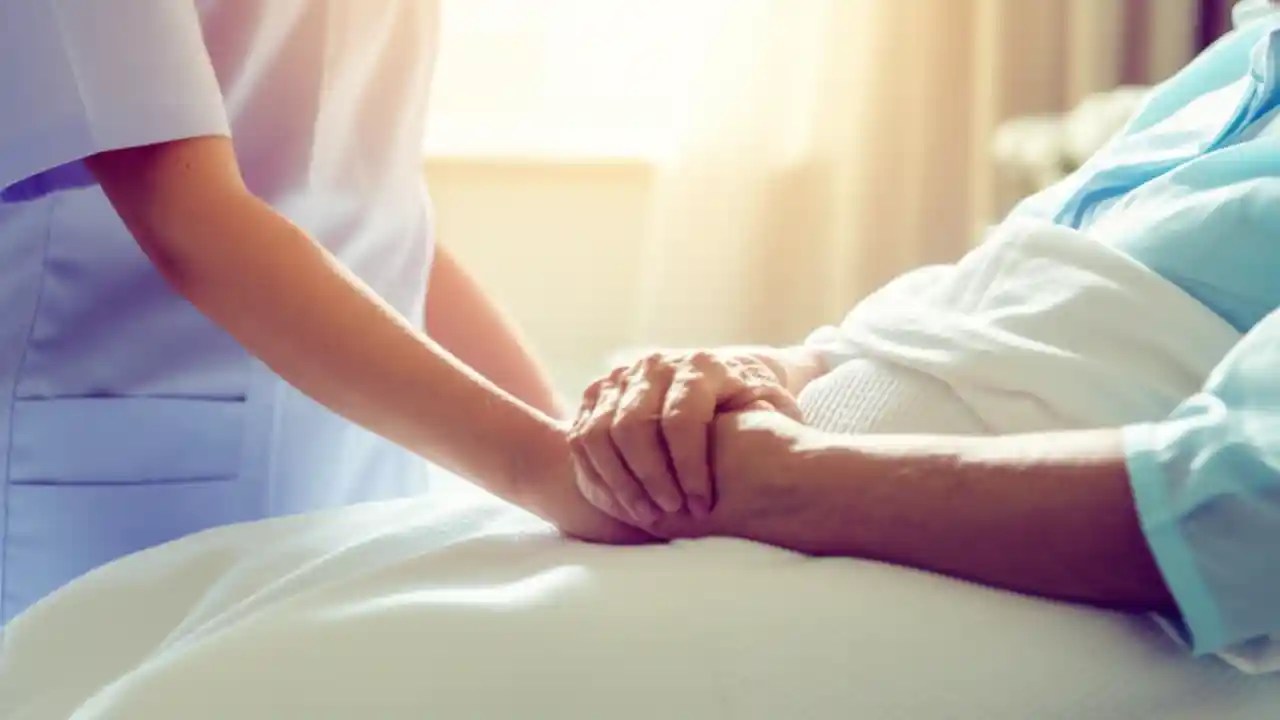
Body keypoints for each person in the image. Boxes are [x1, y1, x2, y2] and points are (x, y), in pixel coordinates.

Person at [570, 0, 1280, 670]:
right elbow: (980, 305)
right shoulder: (1239, 58)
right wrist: (775, 370)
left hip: (954, 596)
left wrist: (781, 478)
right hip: (795, 522)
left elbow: (1251, 516)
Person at [0, 1, 637, 624]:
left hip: (353, 460)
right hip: (116, 472)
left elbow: (376, 224)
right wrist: (544, 467)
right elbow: (186, 215)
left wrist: (573, 441)